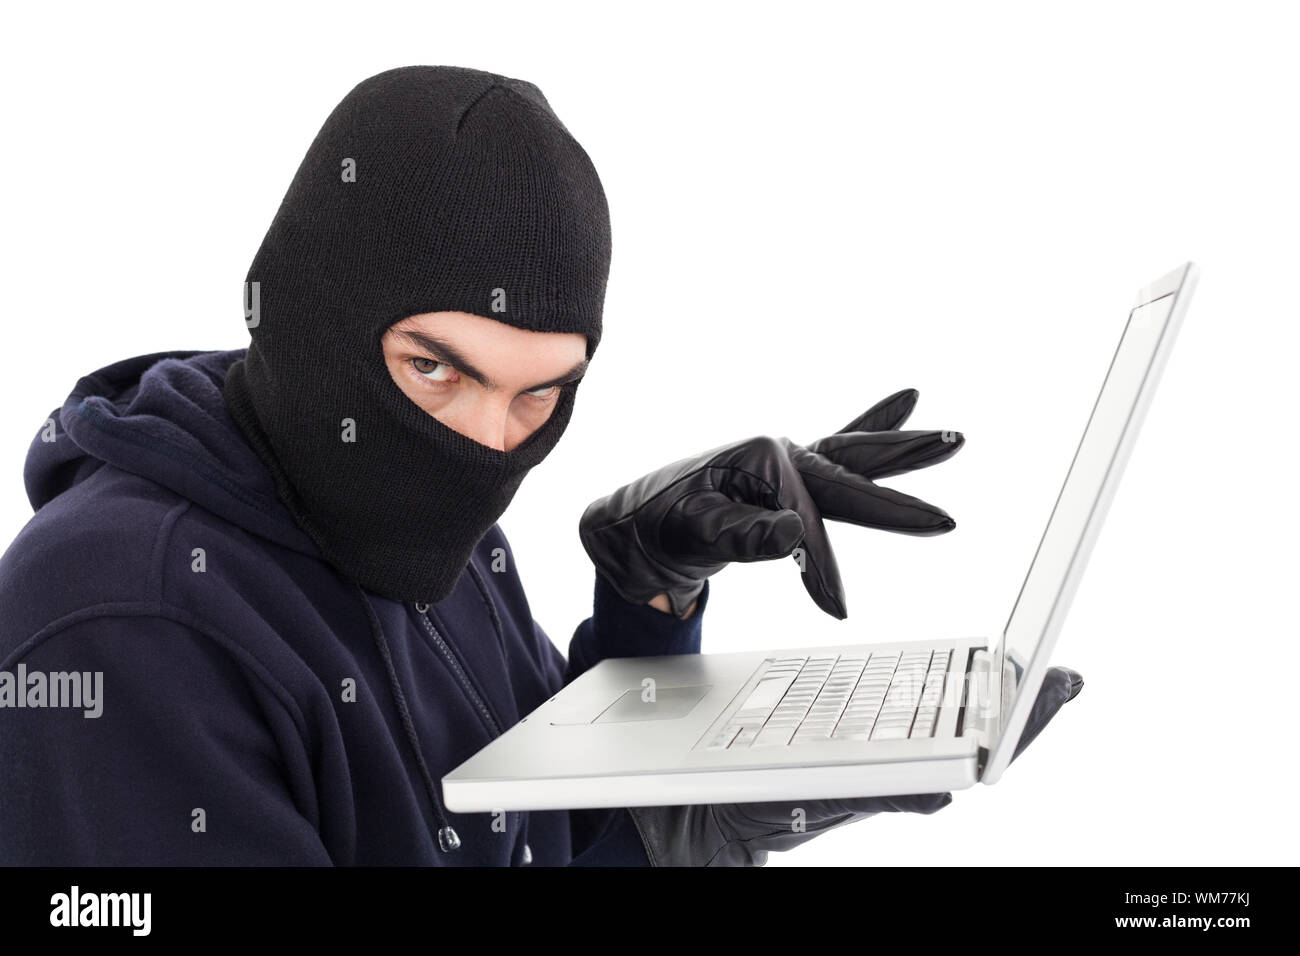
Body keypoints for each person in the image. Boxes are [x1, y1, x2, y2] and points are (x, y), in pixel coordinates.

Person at [0, 66, 1082, 867]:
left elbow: (526, 835)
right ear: (312, 306)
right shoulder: (122, 623)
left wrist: (648, 610)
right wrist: (675, 842)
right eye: (434, 367)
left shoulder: (406, 508)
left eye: (541, 392)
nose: (483, 444)